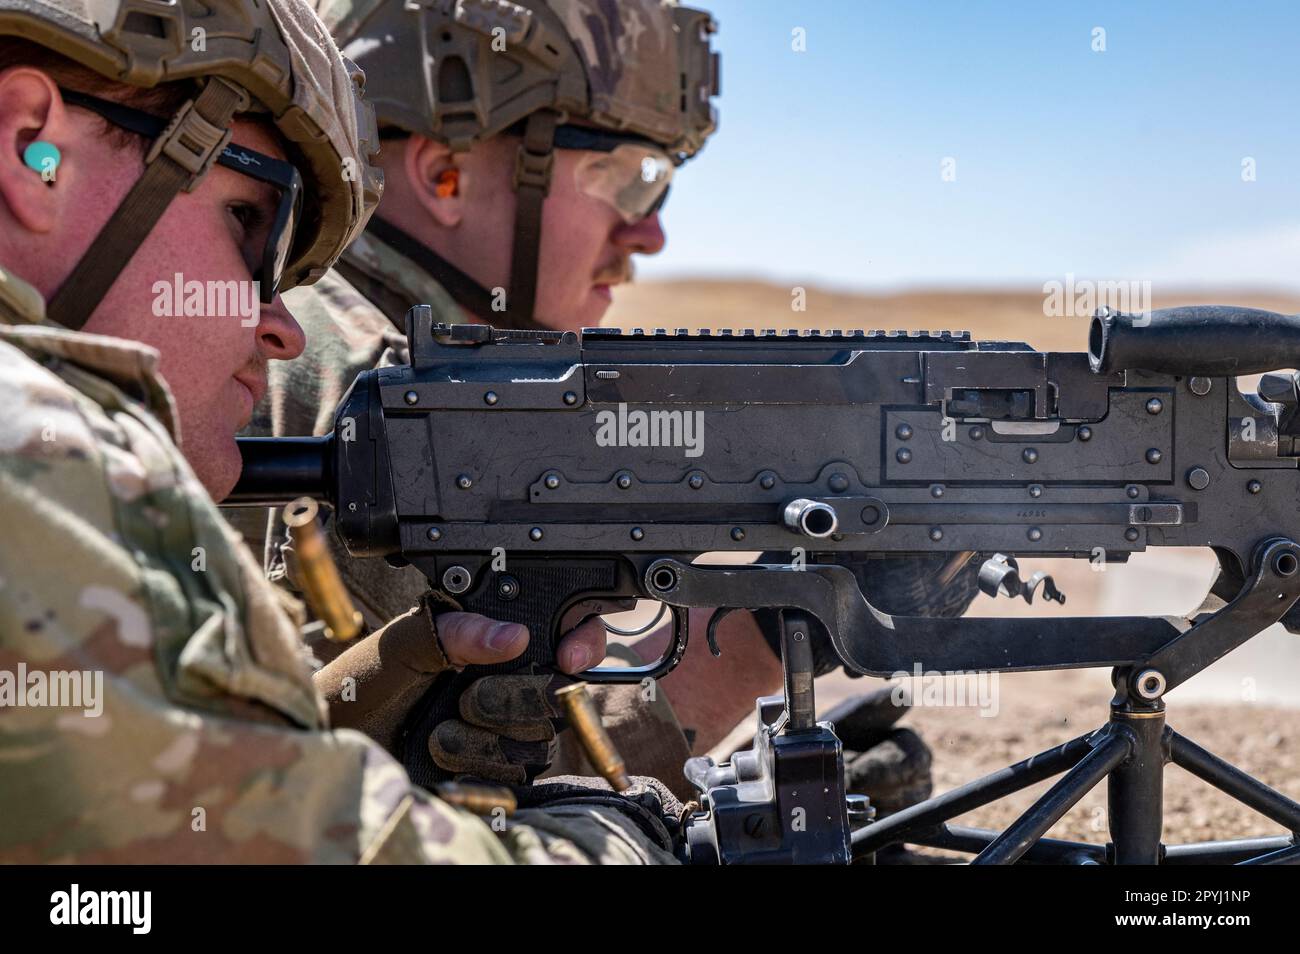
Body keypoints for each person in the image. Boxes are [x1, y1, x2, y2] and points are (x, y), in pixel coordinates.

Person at [233, 0, 980, 797]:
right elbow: (416, 805)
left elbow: (461, 744)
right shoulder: (386, 394)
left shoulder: (343, 340)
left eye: (657, 187)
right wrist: (774, 642)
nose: (649, 233)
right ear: (445, 174)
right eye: (621, 178)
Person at [0, 0, 676, 864]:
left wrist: (390, 674)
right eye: (249, 217)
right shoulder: (44, 455)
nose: (285, 330)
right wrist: (626, 843)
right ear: (34, 151)